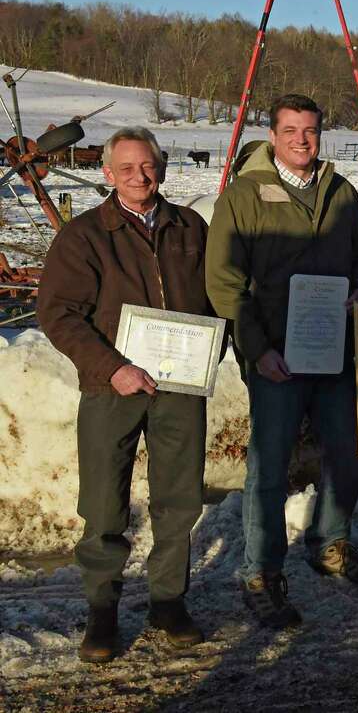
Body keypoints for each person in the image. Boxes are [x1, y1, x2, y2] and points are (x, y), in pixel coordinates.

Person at [206, 94, 358, 629]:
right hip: (276, 354)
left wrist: (357, 288)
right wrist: (258, 350)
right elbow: (224, 282)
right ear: (273, 135)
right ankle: (261, 571)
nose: (302, 140)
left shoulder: (340, 191)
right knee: (270, 463)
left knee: (348, 451)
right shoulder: (243, 196)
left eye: (310, 130)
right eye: (290, 131)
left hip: (333, 349)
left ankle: (330, 542)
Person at [38, 127, 210, 662]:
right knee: (104, 504)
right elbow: (58, 314)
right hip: (112, 387)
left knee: (179, 499)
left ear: (161, 167)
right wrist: (111, 367)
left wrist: (211, 350)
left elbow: (220, 296)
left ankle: (167, 601)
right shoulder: (86, 235)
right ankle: (103, 611)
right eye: (128, 168)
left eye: (149, 165)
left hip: (179, 387)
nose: (141, 175)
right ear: (108, 175)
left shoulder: (189, 227)